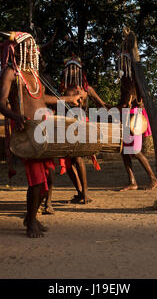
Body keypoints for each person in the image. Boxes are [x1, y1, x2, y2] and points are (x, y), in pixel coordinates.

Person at [0, 32, 81, 238]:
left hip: (44, 129)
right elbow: (1, 103)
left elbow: (41, 98)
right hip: (28, 132)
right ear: (21, 50)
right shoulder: (11, 73)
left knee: (49, 179)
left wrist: (67, 100)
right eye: (31, 48)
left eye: (35, 48)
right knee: (35, 180)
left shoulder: (34, 74)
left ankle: (30, 216)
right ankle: (31, 223)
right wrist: (14, 116)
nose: (35, 51)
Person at [57, 55, 106, 205]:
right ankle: (79, 192)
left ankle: (85, 193)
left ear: (79, 72)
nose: (71, 72)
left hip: (80, 126)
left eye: (74, 70)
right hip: (65, 126)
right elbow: (58, 108)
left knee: (77, 158)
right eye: (69, 70)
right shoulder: (62, 90)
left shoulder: (86, 90)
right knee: (67, 161)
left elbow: (101, 105)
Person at [116, 28, 157, 191]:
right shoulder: (128, 79)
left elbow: (126, 103)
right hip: (128, 114)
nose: (119, 65)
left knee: (134, 150)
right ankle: (132, 181)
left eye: (121, 62)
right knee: (124, 151)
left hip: (133, 116)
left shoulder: (131, 81)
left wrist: (111, 107)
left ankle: (153, 178)